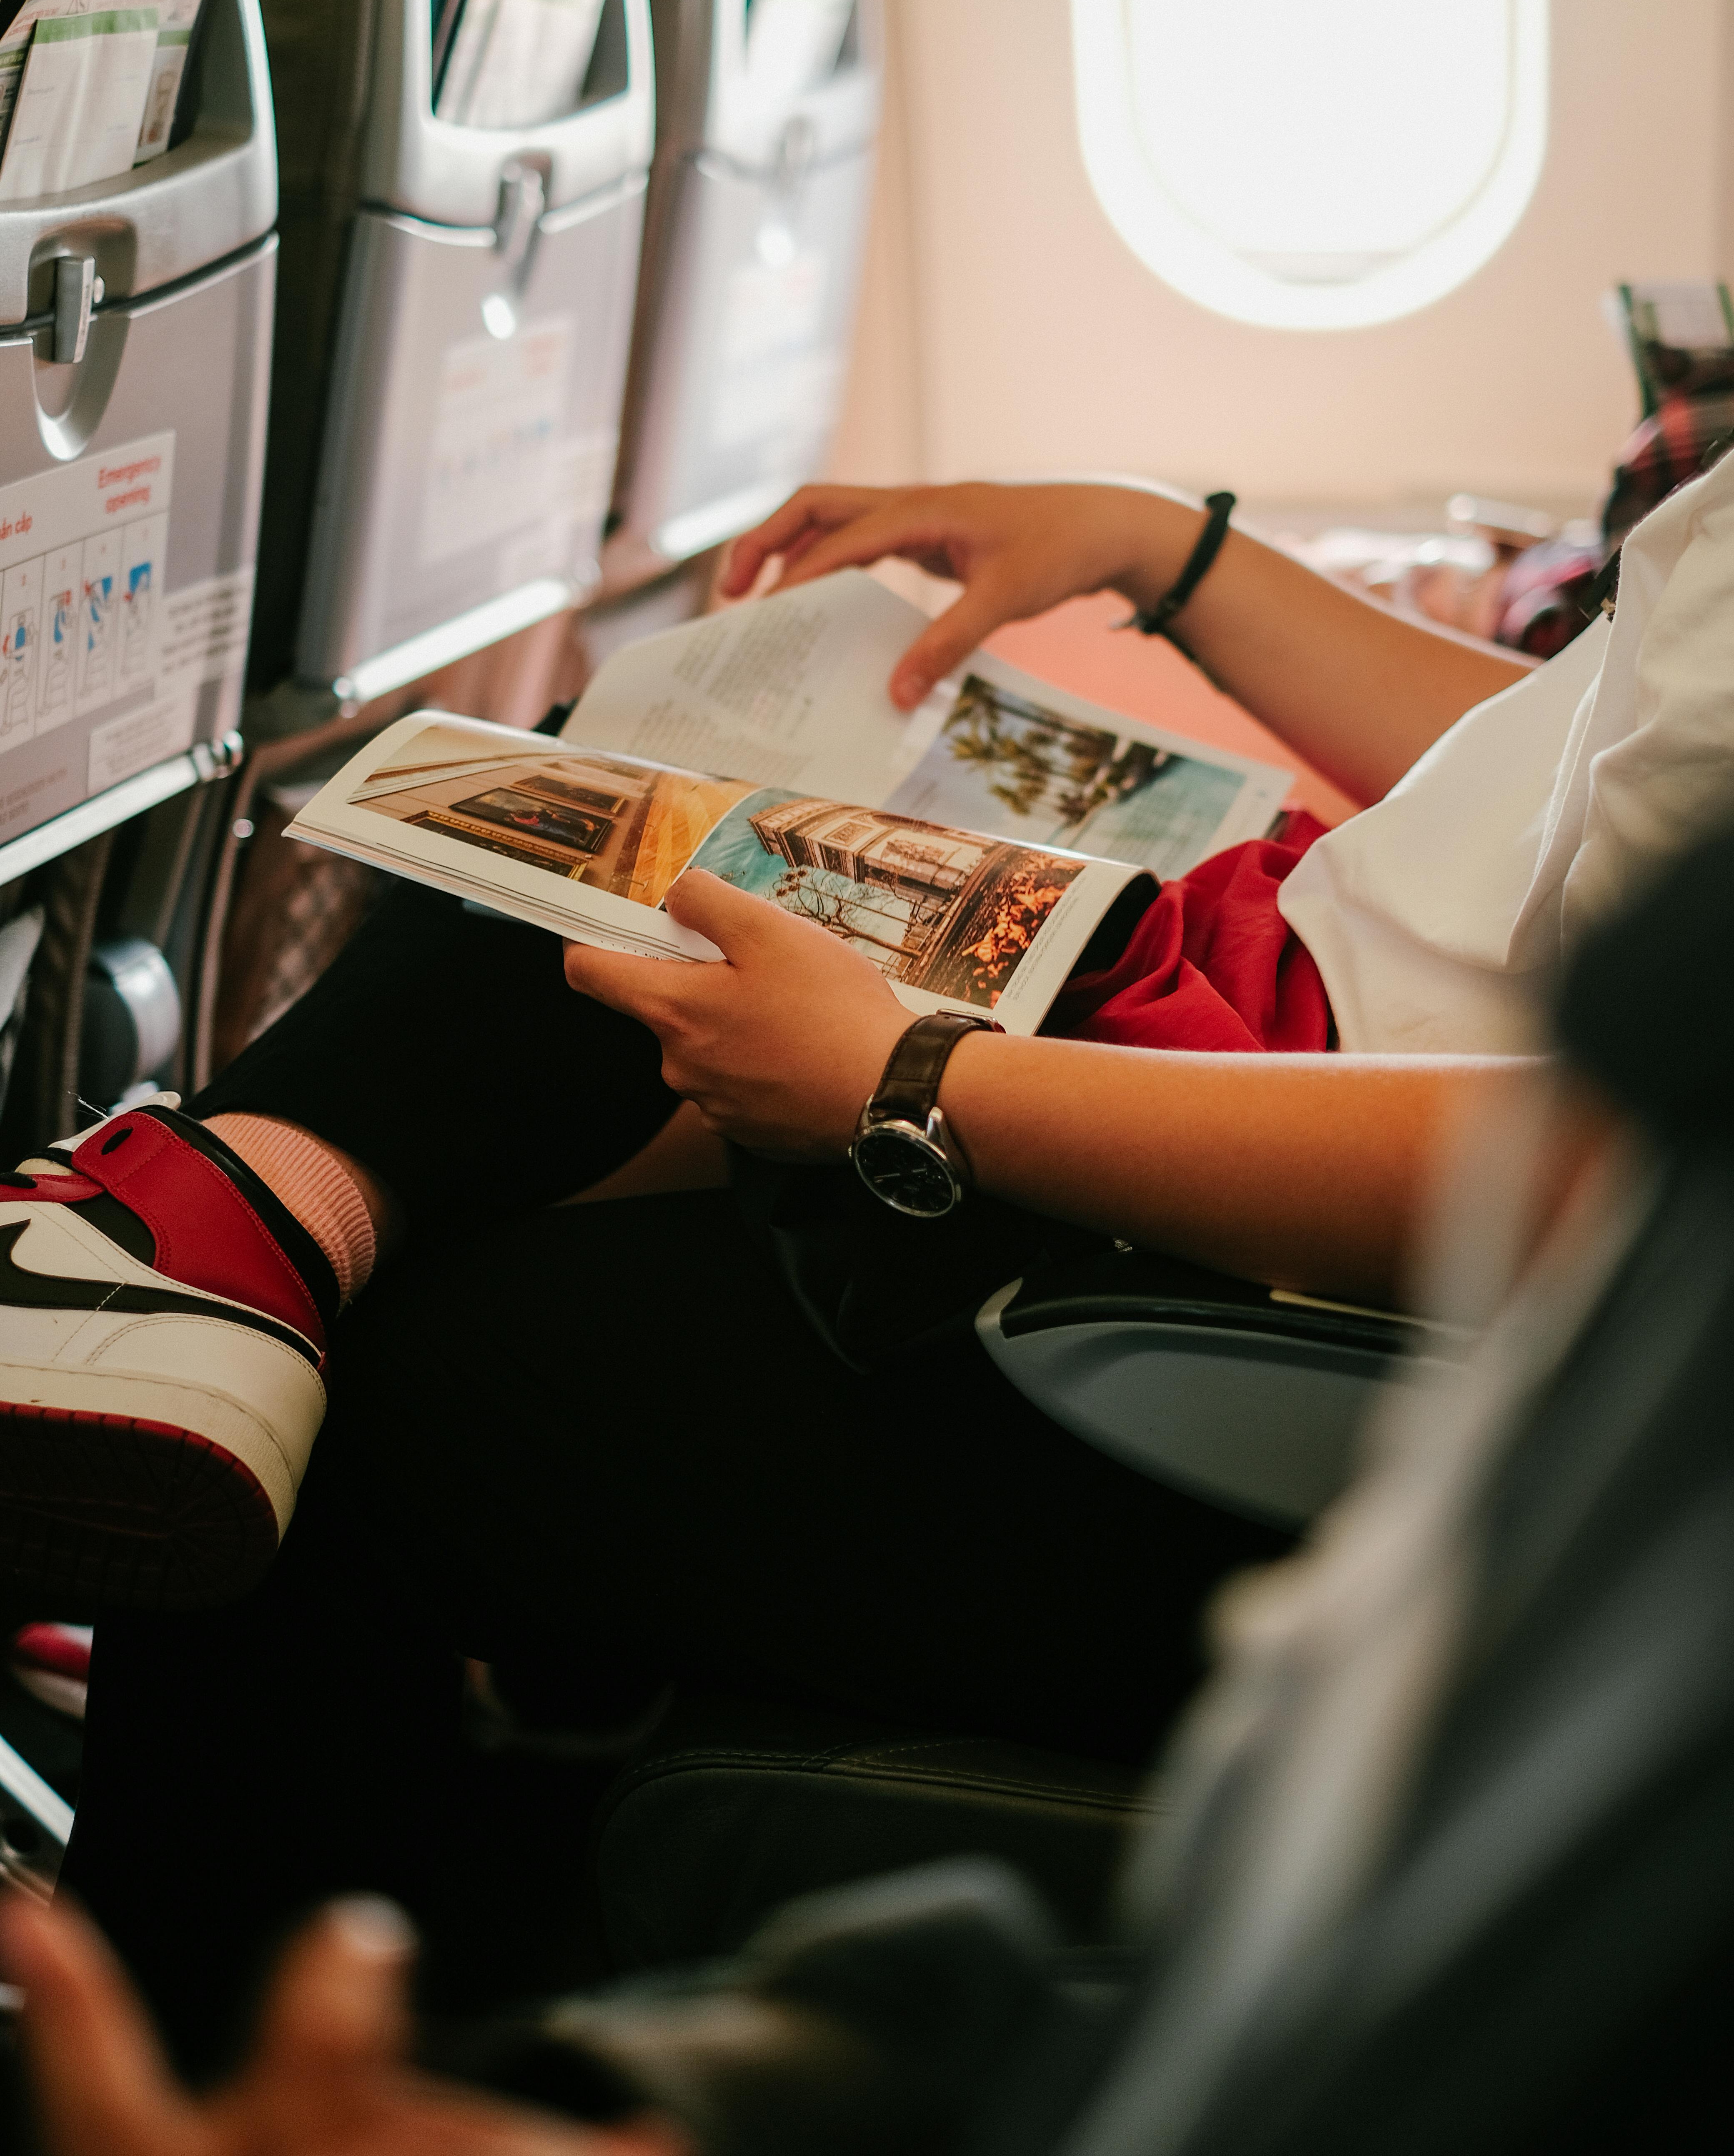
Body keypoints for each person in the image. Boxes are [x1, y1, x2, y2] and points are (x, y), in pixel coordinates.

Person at [2, 458, 1730, 2052]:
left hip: (1316, 1334)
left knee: (383, 1378)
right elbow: (1591, 781)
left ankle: (173, 2066)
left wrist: (915, 1080)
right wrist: (1161, 550)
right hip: (1268, 1040)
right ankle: (191, 1262)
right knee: (566, 861)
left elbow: (1618, 1162)